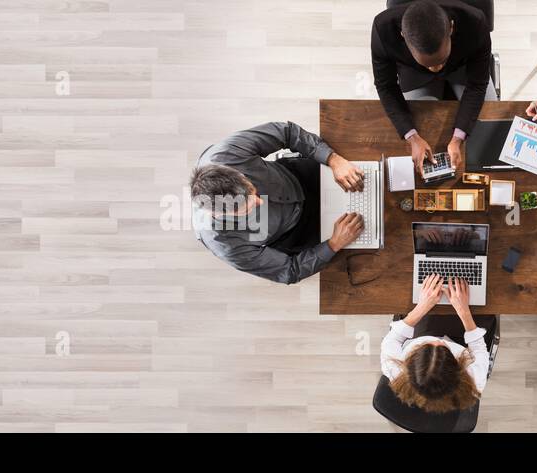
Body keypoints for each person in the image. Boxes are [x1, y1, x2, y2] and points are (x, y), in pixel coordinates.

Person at [190, 121, 367, 284]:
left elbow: (287, 133)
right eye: (247, 209)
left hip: (300, 176)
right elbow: (289, 271)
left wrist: (333, 160)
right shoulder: (225, 244)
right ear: (219, 214)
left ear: (239, 174)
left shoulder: (227, 154)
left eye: (253, 191)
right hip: (298, 232)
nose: (260, 202)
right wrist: (334, 244)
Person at [371, 0, 493, 177]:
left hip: (462, 66)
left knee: (488, 124)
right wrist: (412, 137)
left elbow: (478, 84)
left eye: (440, 61)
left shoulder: (476, 22)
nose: (437, 69)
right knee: (420, 126)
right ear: (403, 36)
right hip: (413, 72)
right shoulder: (382, 29)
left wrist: (458, 137)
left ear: (451, 28)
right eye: (430, 65)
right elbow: (385, 86)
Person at [380, 275, 490, 412]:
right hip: (460, 340)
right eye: (445, 349)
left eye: (426, 345)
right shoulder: (474, 381)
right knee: (486, 305)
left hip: (421, 330)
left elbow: (393, 339)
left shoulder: (394, 368)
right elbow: (479, 348)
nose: (437, 340)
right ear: (459, 368)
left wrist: (422, 306)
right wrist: (463, 310)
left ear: (409, 362)